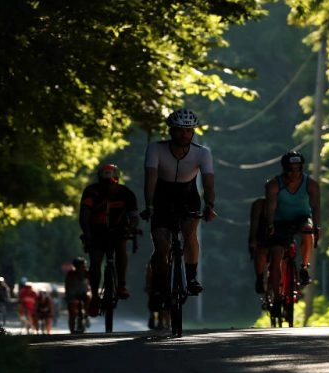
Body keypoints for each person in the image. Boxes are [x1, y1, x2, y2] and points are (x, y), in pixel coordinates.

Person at [141, 108, 216, 310]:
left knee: (190, 235)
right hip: (161, 197)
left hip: (188, 196)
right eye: (180, 130)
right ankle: (158, 286)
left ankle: (191, 278)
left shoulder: (202, 153)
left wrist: (210, 205)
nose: (184, 135)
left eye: (188, 131)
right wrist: (148, 205)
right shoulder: (155, 149)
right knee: (161, 247)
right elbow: (150, 180)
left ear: (193, 132)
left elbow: (209, 183)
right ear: (171, 131)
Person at [79, 163, 139, 317]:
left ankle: (120, 286)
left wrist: (131, 228)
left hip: (117, 231)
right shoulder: (91, 191)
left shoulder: (126, 193)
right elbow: (84, 215)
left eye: (110, 183)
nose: (107, 187)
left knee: (118, 250)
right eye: (105, 184)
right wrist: (87, 234)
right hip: (97, 232)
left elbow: (133, 216)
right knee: (96, 262)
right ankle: (96, 296)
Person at [263, 151, 321, 300]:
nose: (294, 173)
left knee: (308, 230)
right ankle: (276, 295)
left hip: (301, 217)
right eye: (290, 169)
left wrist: (317, 227)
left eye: (298, 169)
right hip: (280, 220)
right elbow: (270, 207)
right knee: (277, 253)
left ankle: (304, 267)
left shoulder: (311, 184)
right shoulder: (274, 184)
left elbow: (315, 207)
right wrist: (270, 224)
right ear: (284, 169)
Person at [247, 197, 270, 294]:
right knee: (261, 252)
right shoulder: (259, 205)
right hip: (264, 239)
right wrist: (253, 241)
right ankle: (260, 278)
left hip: (282, 236)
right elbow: (254, 225)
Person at [64, 257, 92, 333]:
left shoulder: (87, 273)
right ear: (75, 267)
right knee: (72, 313)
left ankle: (86, 315)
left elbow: (92, 284)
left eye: (83, 266)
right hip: (73, 295)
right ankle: (72, 330)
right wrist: (68, 295)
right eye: (80, 267)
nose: (82, 268)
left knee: (88, 299)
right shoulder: (71, 274)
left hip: (84, 294)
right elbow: (67, 286)